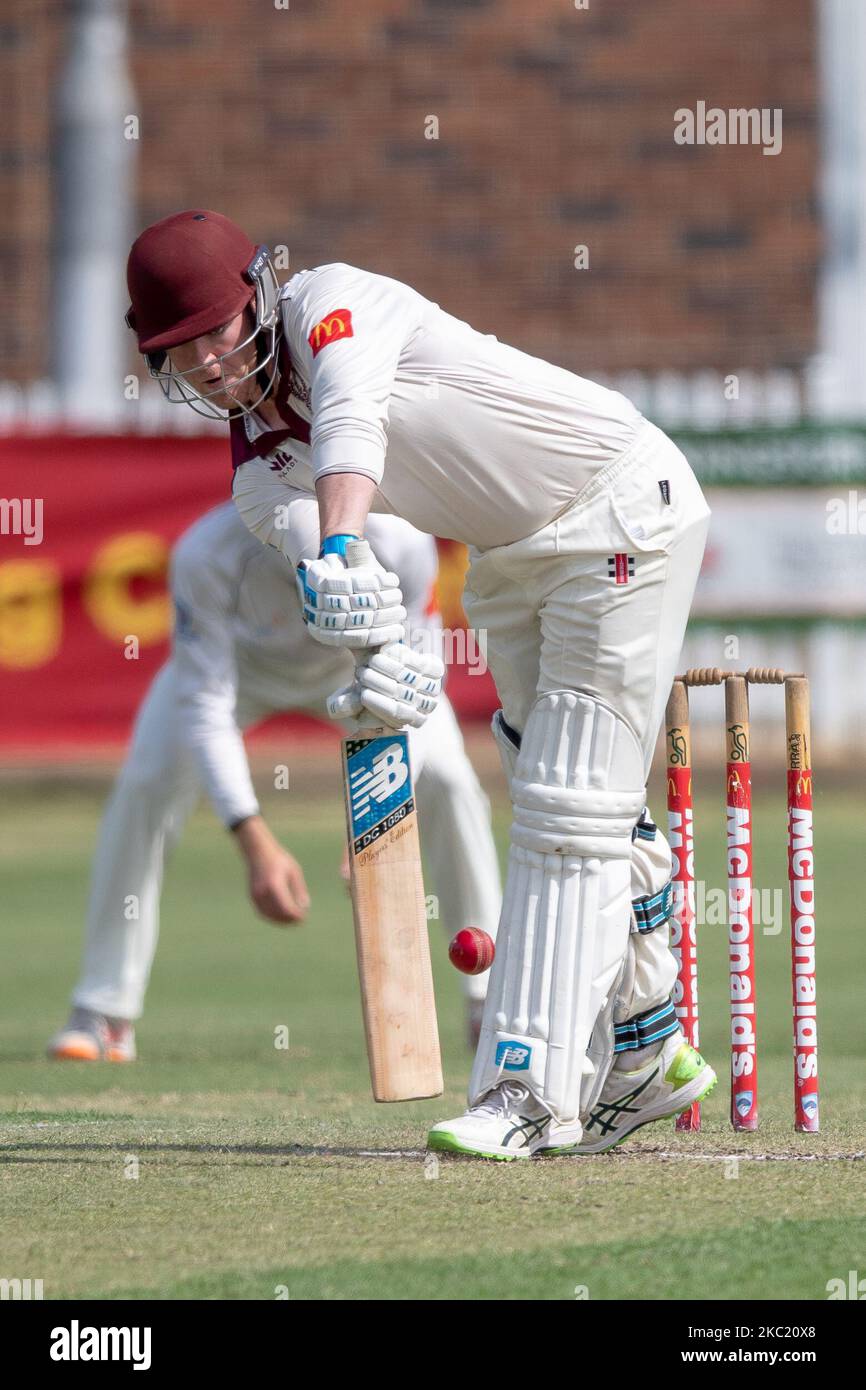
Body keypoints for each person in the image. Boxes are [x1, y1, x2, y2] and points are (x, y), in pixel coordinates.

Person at [124, 209, 717, 1158]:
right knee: (569, 794)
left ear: (262, 292)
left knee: (571, 808)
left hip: (615, 503)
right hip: (518, 560)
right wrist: (379, 663)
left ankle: (530, 1095)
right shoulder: (256, 478)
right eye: (181, 353)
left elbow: (353, 431)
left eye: (217, 334)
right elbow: (332, 575)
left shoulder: (337, 303)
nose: (208, 366)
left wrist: (348, 544)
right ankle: (648, 1049)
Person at [49, 498, 501, 1061]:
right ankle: (103, 1011)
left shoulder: (402, 542)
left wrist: (371, 824)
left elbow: (414, 690)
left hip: (361, 676)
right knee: (146, 783)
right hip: (242, 672)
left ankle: (489, 999)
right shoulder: (206, 552)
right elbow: (206, 707)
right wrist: (253, 839)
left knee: (452, 781)